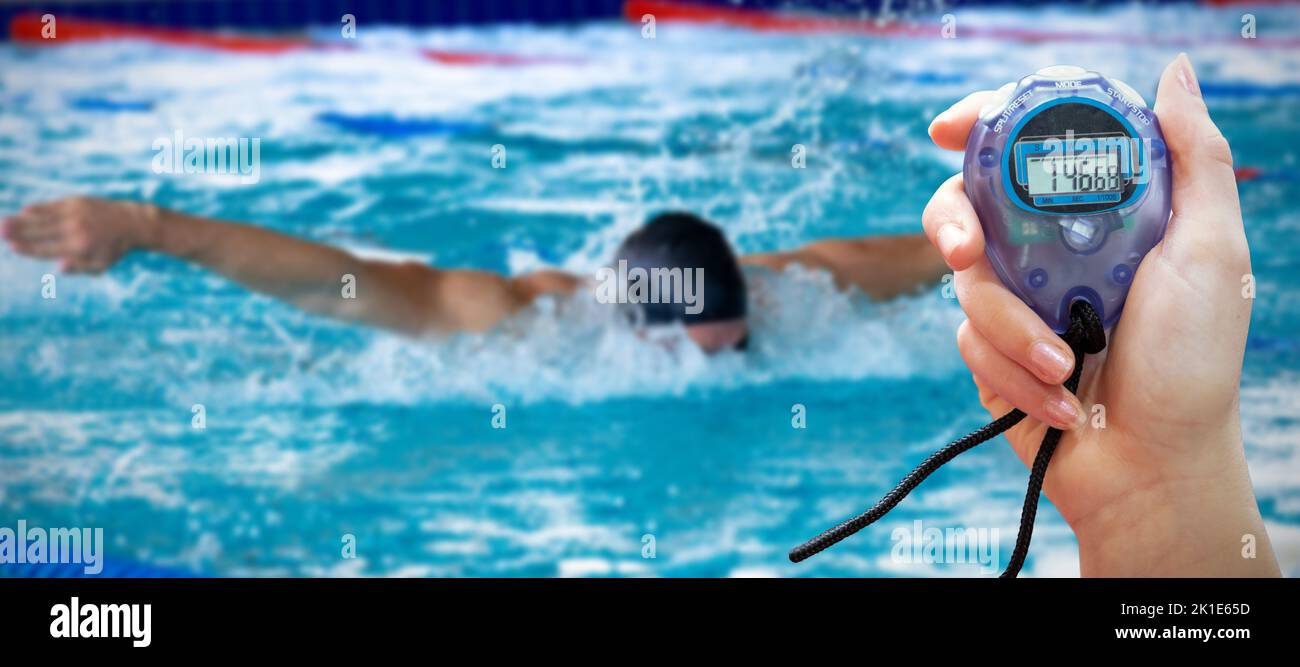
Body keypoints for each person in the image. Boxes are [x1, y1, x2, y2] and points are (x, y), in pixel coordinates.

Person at [922, 54, 1279, 576]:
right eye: (1055, 169)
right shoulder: (1118, 140)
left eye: (1088, 168)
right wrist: (1144, 504)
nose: (1076, 179)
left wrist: (1165, 480)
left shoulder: (1018, 145)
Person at [2, 203, 946, 354]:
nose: (722, 372)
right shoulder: (516, 322)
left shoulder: (777, 294)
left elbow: (911, 250)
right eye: (697, 362)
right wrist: (148, 226)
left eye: (733, 357)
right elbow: (339, 279)